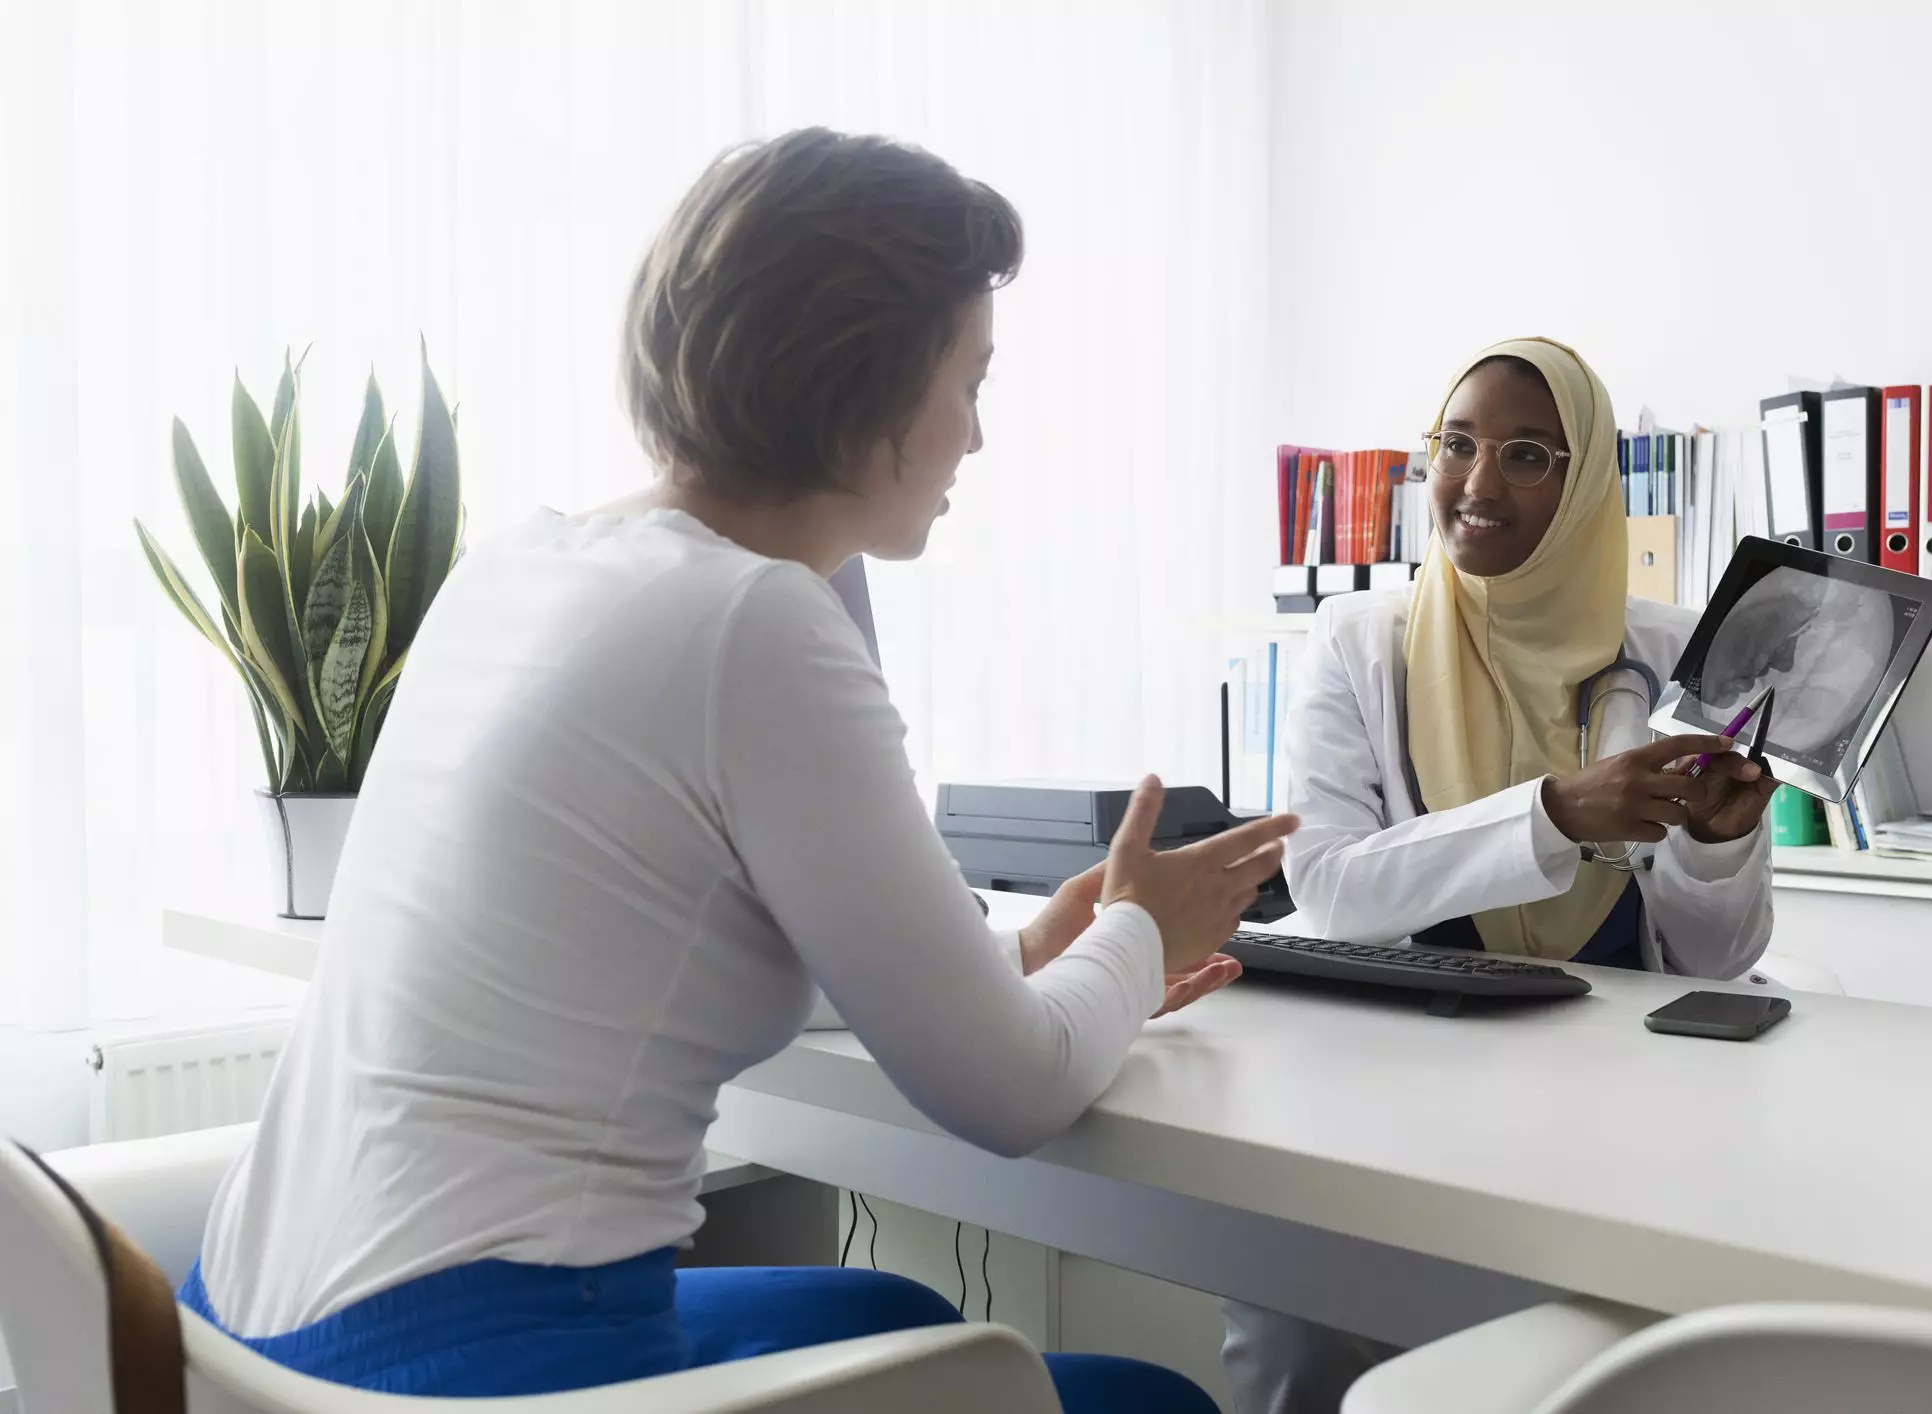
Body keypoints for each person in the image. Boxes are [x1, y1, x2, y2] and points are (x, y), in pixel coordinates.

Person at [178, 128, 1295, 1412]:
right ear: (868, 386)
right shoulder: (754, 624)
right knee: (1146, 1401)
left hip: (253, 1328)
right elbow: (1012, 1092)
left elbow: (704, 937)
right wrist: (1146, 929)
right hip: (464, 1359)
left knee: (892, 1312)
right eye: (969, 380)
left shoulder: (522, 564)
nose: (978, 437)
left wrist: (1034, 957)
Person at [1218, 337, 1776, 1414]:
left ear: (1588, 486)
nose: (1475, 484)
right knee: (1299, 1329)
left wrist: (1715, 844)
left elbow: (1716, 958)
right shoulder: (1359, 642)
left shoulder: (1667, 652)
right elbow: (1328, 888)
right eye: (1456, 444)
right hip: (1390, 1091)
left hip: (1622, 1109)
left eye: (1528, 454)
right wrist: (1557, 812)